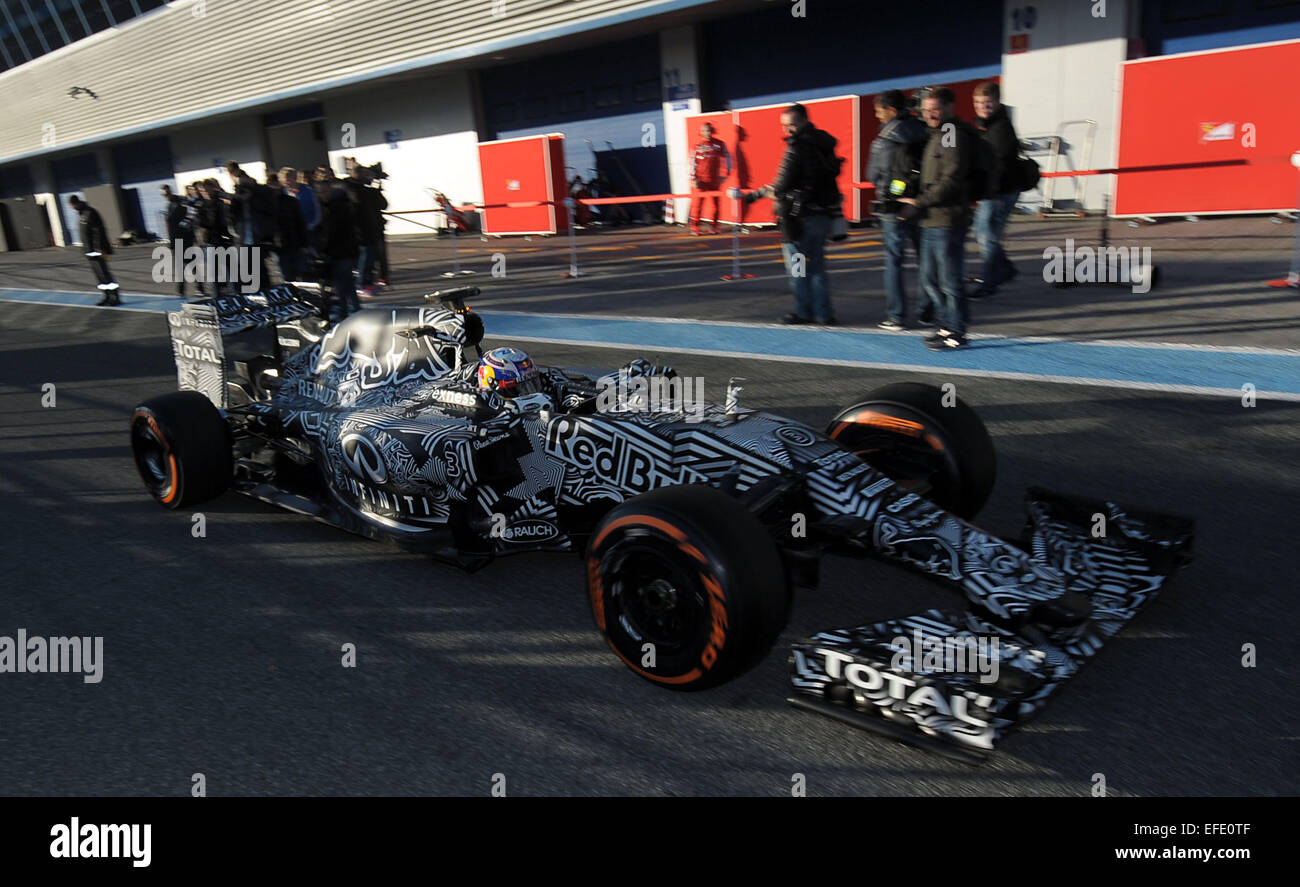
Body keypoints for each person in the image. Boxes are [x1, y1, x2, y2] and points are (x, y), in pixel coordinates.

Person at [736, 103, 842, 325]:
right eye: (784, 126)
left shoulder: (796, 147)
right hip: (822, 215)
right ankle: (825, 313)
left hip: (798, 218)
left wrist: (755, 195)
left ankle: (803, 312)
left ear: (803, 121)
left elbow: (782, 184)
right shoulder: (824, 143)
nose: (787, 130)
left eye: (791, 125)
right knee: (817, 267)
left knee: (798, 268)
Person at [897, 87, 976, 350]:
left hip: (947, 219)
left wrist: (918, 203)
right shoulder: (936, 135)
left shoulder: (951, 134)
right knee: (930, 279)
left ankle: (958, 332)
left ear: (950, 108)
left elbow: (951, 178)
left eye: (936, 108)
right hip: (931, 219)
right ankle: (945, 325)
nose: (930, 113)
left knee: (950, 280)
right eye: (926, 108)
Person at [865, 89, 929, 330]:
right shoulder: (923, 131)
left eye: (879, 112)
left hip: (893, 207)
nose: (877, 117)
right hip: (921, 204)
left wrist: (895, 191)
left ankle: (896, 315)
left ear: (891, 111)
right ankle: (927, 310)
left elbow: (871, 175)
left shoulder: (884, 140)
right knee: (925, 259)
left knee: (894, 261)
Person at [971, 81, 1021, 299]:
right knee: (986, 236)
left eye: (987, 102)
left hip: (1000, 191)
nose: (983, 106)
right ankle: (1005, 270)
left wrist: (983, 192)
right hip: (997, 190)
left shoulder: (999, 128)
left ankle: (990, 283)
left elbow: (996, 165)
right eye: (978, 102)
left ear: (997, 101)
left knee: (986, 237)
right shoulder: (986, 123)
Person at [69, 195, 119, 305]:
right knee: (99, 275)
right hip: (89, 251)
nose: (72, 207)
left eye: (72, 205)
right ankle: (106, 295)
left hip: (98, 250)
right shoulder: (82, 214)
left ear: (75, 203)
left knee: (104, 273)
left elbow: (98, 231)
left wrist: (99, 247)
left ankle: (115, 296)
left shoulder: (90, 213)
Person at [162, 185, 205, 298]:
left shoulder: (180, 202)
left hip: (185, 238)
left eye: (166, 193)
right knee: (181, 266)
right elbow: (170, 226)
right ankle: (181, 290)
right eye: (164, 194)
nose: (166, 196)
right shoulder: (169, 205)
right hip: (176, 240)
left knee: (192, 264)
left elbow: (191, 216)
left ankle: (199, 288)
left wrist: (191, 234)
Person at [689, 122, 732, 235]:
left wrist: (725, 174)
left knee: (716, 205)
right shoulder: (697, 146)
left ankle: (714, 227)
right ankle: (695, 227)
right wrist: (693, 179)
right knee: (697, 205)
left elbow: (728, 158)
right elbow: (692, 163)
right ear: (700, 132)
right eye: (704, 131)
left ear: (712, 131)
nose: (706, 133)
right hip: (700, 181)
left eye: (708, 130)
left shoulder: (720, 144)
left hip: (714, 180)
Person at [272, 170, 308, 283]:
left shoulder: (291, 201)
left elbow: (301, 223)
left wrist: (304, 244)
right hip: (280, 246)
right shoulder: (267, 202)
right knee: (287, 276)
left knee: (301, 274)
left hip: (295, 242)